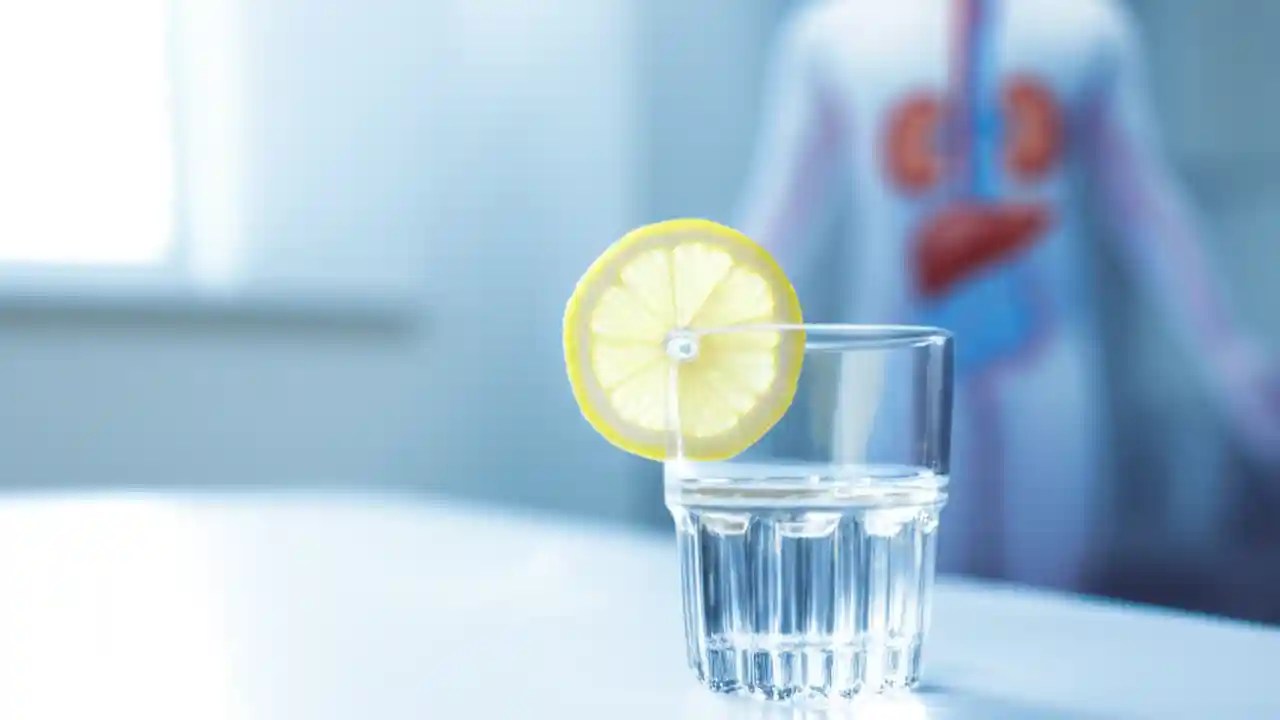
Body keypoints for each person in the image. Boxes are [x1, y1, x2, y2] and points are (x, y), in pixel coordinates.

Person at [737, 0, 1280, 589]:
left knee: (1049, 594)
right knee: (900, 589)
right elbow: (784, 209)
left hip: (1045, 362)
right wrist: (719, 336)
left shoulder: (1086, 29)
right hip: (895, 369)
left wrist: (1226, 353)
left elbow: (1144, 201)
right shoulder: (833, 35)